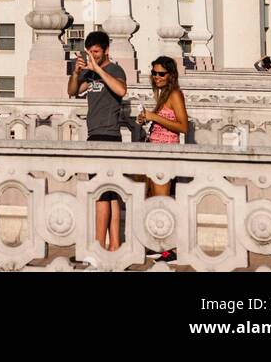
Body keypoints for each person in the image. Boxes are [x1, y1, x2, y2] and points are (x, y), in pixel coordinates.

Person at [67, 30, 128, 251]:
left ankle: (98, 248)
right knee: (109, 196)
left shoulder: (114, 69)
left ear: (106, 51)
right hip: (94, 134)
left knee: (102, 194)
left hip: (109, 135)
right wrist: (77, 73)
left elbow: (121, 90)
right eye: (90, 52)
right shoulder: (90, 73)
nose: (93, 56)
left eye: (96, 52)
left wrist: (98, 70)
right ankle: (114, 246)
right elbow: (72, 91)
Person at [137, 56, 189, 263]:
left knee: (164, 202)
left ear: (170, 75)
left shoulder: (175, 94)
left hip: (167, 153)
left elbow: (183, 127)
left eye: (161, 74)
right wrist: (147, 118)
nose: (156, 77)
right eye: (154, 73)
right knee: (154, 200)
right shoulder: (162, 95)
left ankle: (172, 248)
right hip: (155, 151)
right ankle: (159, 244)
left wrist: (154, 117)